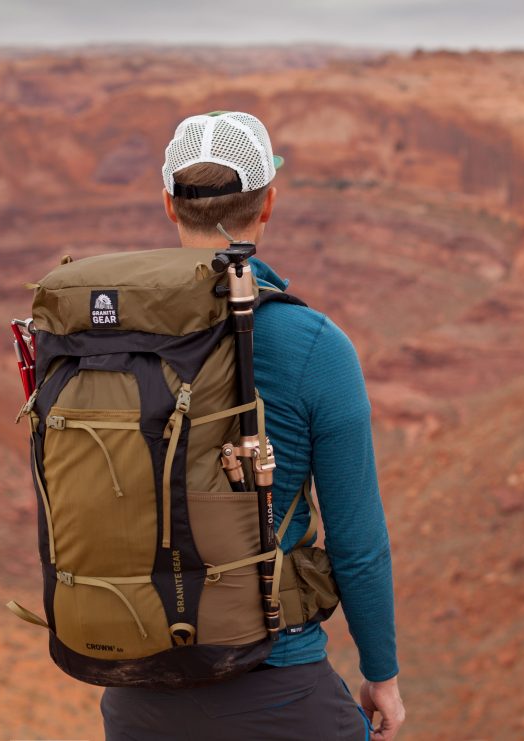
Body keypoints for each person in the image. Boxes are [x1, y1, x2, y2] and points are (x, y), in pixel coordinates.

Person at [99, 112, 405, 740]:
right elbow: (358, 541)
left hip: (137, 697)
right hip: (279, 686)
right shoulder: (314, 346)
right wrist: (382, 673)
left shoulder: (104, 340)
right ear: (268, 205)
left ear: (168, 204)